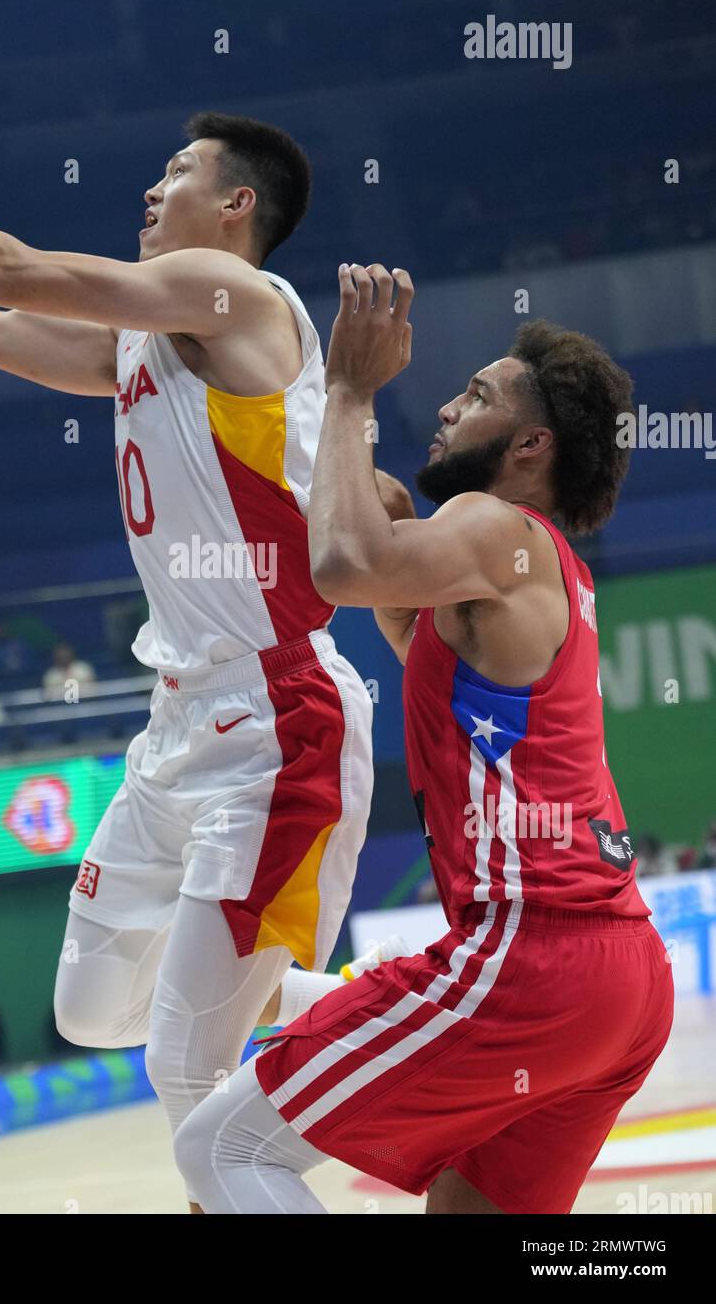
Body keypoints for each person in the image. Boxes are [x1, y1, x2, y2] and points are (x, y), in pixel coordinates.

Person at [0, 96, 378, 1209]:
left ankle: (294, 1040)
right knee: (91, 1010)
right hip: (174, 725)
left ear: (236, 205)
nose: (152, 188)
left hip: (277, 716)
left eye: (178, 170)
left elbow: (13, 271)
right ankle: (337, 995)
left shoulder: (236, 296)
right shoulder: (146, 343)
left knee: (183, 1070)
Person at [174, 271, 675, 1215]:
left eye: (476, 395)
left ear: (532, 445)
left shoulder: (491, 528)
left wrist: (353, 387)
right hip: (621, 983)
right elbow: (374, 566)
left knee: (222, 1152)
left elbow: (344, 563)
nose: (446, 405)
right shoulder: (529, 570)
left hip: (531, 961)